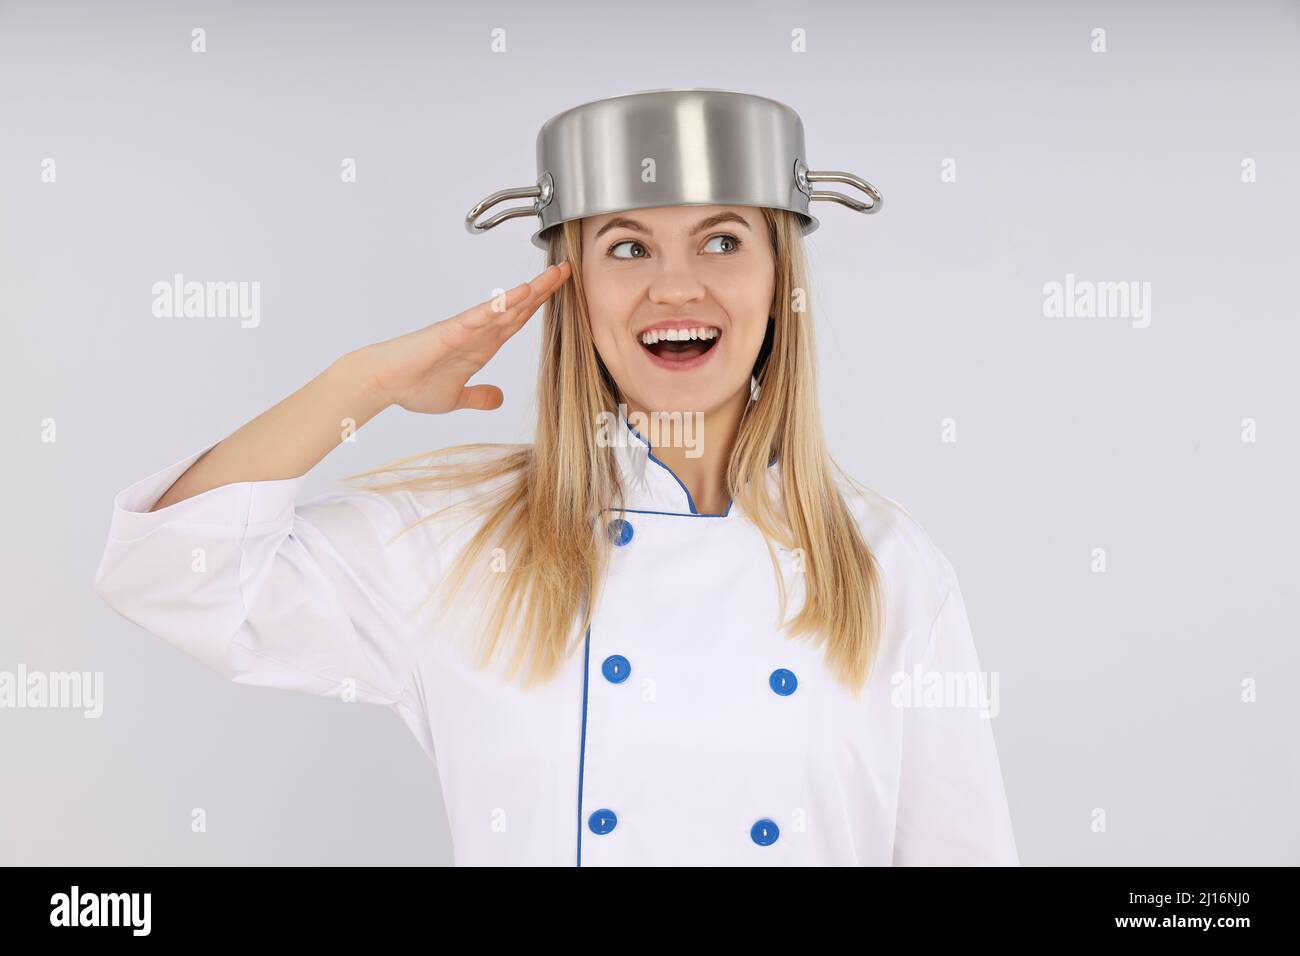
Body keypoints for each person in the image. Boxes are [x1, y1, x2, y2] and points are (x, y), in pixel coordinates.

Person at [93, 201, 1019, 866]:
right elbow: (173, 572)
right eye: (626, 247)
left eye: (724, 240)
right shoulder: (465, 544)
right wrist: (361, 385)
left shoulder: (887, 566)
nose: (676, 284)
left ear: (781, 283)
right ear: (572, 293)